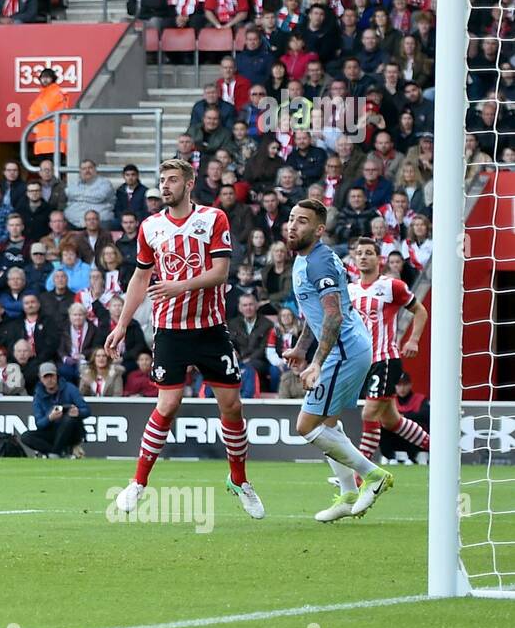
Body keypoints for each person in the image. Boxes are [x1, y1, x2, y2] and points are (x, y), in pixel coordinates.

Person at [105, 159, 264, 519]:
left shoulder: (213, 219)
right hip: (170, 331)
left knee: (232, 406)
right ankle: (138, 483)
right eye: (161, 180)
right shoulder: (150, 227)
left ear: (189, 184)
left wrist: (179, 285)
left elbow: (221, 272)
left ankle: (239, 480)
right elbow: (140, 280)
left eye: (172, 180)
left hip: (210, 328)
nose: (165, 186)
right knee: (168, 404)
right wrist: (121, 325)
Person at [281, 200, 392, 522]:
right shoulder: (304, 259)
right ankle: (346, 494)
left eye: (302, 222)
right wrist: (302, 349)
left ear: (318, 230)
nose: (293, 226)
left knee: (306, 426)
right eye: (291, 219)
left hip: (343, 351)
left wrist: (316, 362)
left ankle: (373, 475)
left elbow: (333, 313)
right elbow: (314, 315)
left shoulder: (318, 263)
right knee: (328, 424)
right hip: (348, 348)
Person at [348, 237, 430, 467]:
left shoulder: (391, 286)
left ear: (379, 258)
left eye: (369, 253)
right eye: (360, 253)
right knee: (391, 420)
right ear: (354, 258)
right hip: (363, 364)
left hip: (385, 359)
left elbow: (420, 311)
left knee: (369, 415)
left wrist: (413, 340)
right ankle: (440, 450)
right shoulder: (350, 291)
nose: (363, 256)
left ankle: (361, 476)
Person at [20, 362, 90, 458]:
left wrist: (78, 412)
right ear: (41, 379)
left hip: (71, 431)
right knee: (26, 436)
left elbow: (86, 410)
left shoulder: (69, 388)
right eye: (46, 377)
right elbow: (39, 423)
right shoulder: (38, 396)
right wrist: (49, 418)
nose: (49, 380)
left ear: (56, 376)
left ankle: (55, 453)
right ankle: (60, 452)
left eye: (52, 376)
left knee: (69, 419)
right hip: (52, 431)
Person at [27, 67, 68, 165]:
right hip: (41, 145)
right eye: (43, 77)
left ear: (53, 78)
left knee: (56, 173)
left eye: (48, 77)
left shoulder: (57, 93)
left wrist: (39, 118)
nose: (45, 79)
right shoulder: (41, 97)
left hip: (56, 143)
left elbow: (44, 112)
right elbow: (32, 115)